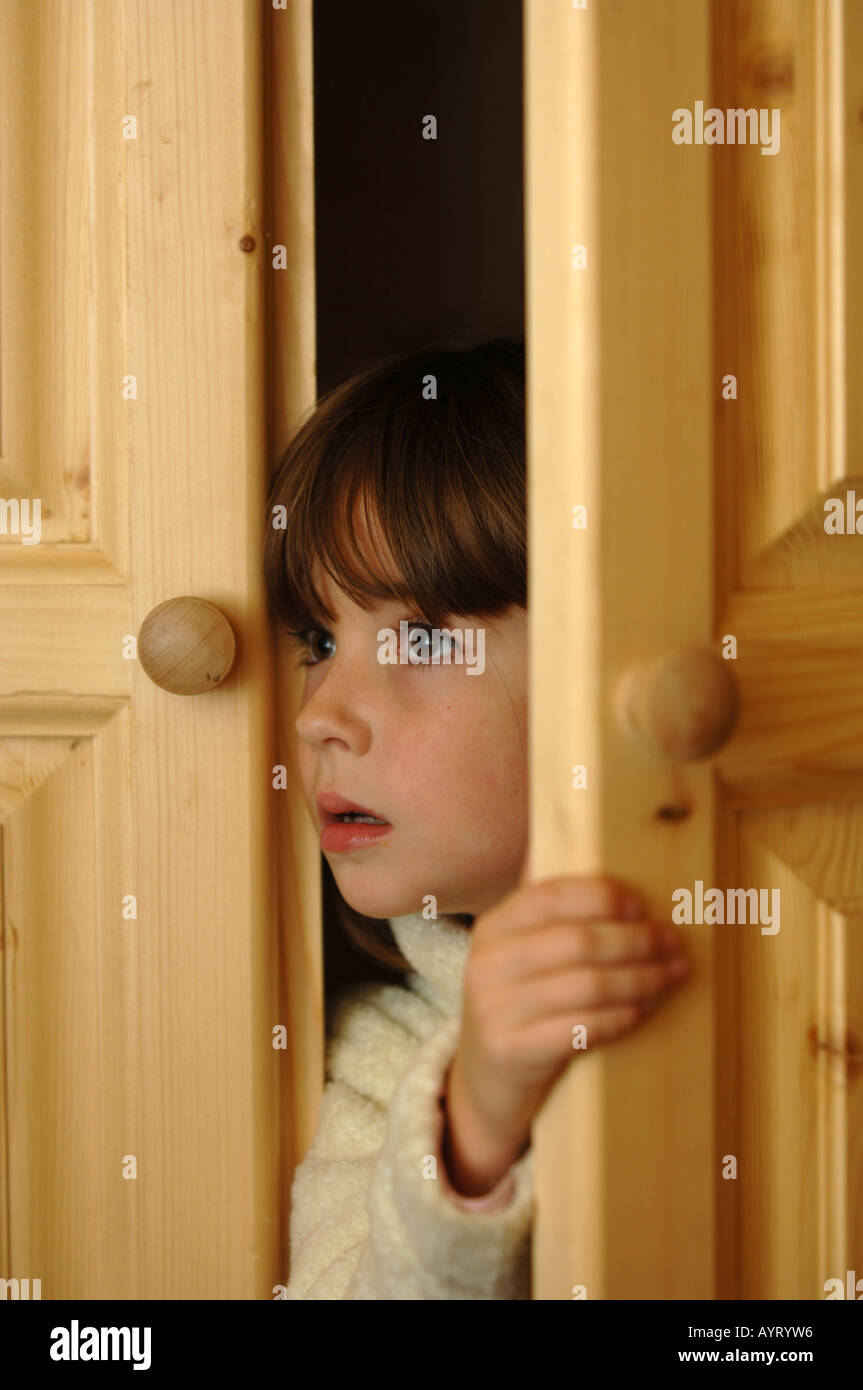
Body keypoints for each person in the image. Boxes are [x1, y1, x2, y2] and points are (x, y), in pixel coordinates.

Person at [263, 334, 691, 1299]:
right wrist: (473, 1121)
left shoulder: (792, 972)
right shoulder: (380, 1057)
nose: (318, 715)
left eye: (418, 634)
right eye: (318, 638)